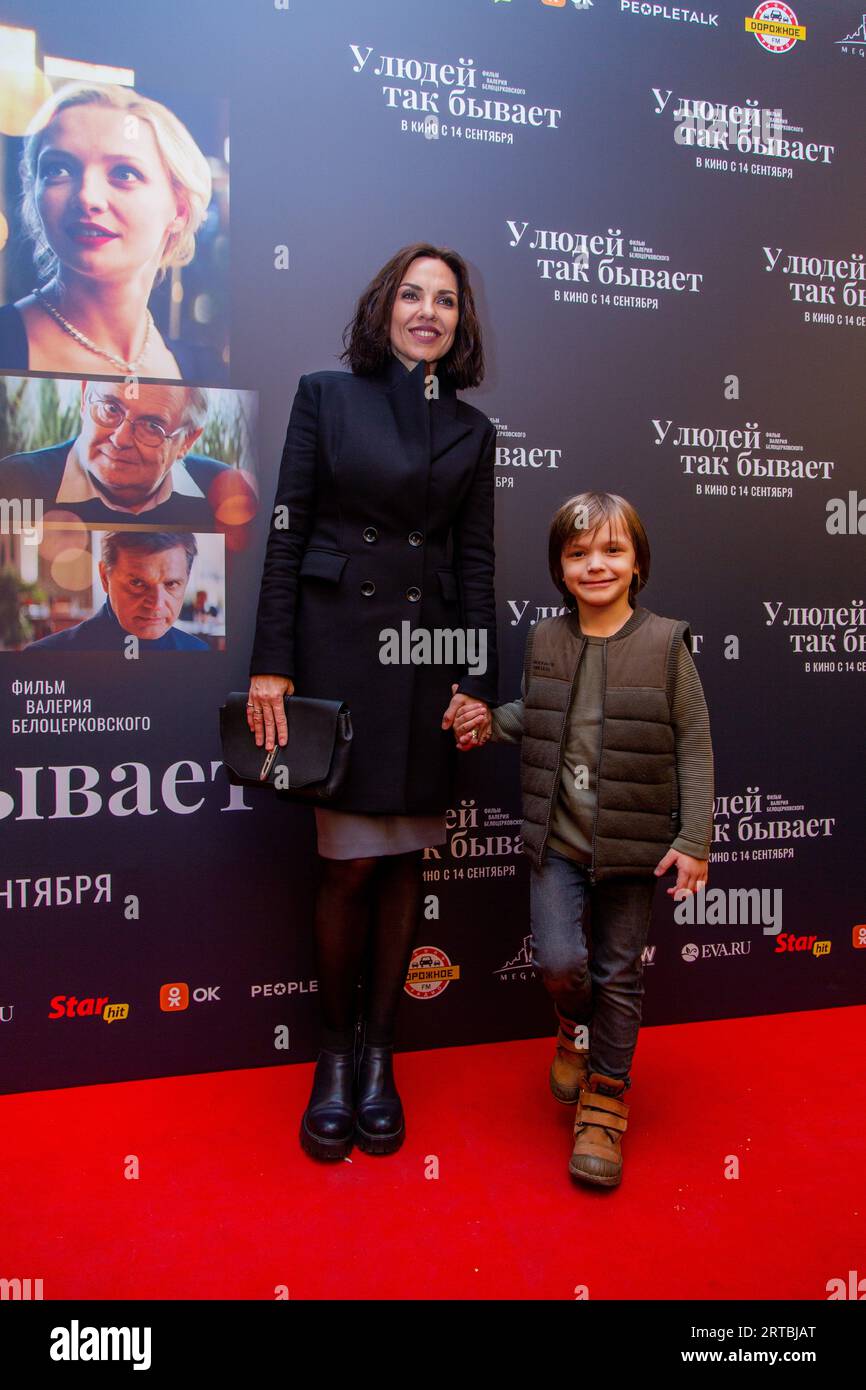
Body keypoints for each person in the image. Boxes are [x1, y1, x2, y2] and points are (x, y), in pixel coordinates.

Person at [247, 243, 498, 1160]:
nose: (427, 311)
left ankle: (382, 1055)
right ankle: (331, 1056)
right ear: (383, 307)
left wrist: (476, 680)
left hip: (429, 660)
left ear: (460, 323)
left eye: (445, 301)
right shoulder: (325, 395)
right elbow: (287, 529)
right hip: (340, 654)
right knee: (349, 862)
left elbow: (475, 565)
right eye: (411, 295)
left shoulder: (474, 431)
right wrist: (272, 661)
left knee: (404, 865)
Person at [453, 492, 713, 1188]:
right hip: (557, 842)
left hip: (632, 848)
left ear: (636, 563)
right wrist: (485, 720)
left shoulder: (666, 645)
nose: (594, 564)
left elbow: (693, 743)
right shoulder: (545, 639)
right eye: (578, 553)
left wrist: (695, 837)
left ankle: (605, 1100)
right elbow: (535, 714)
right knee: (561, 960)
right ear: (560, 567)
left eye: (611, 550)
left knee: (619, 974)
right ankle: (573, 1027)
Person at [1, 81, 225, 382]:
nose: (86, 197)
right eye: (58, 170)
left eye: (124, 173)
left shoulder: (208, 374)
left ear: (180, 210)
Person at [0, 381, 245, 527]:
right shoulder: (15, 480)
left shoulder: (225, 495)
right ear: (85, 397)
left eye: (151, 426)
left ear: (187, 441)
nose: (120, 439)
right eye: (110, 408)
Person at [25, 530, 209, 651]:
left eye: (171, 584)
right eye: (137, 583)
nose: (156, 606)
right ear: (105, 577)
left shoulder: (200, 653)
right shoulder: (44, 657)